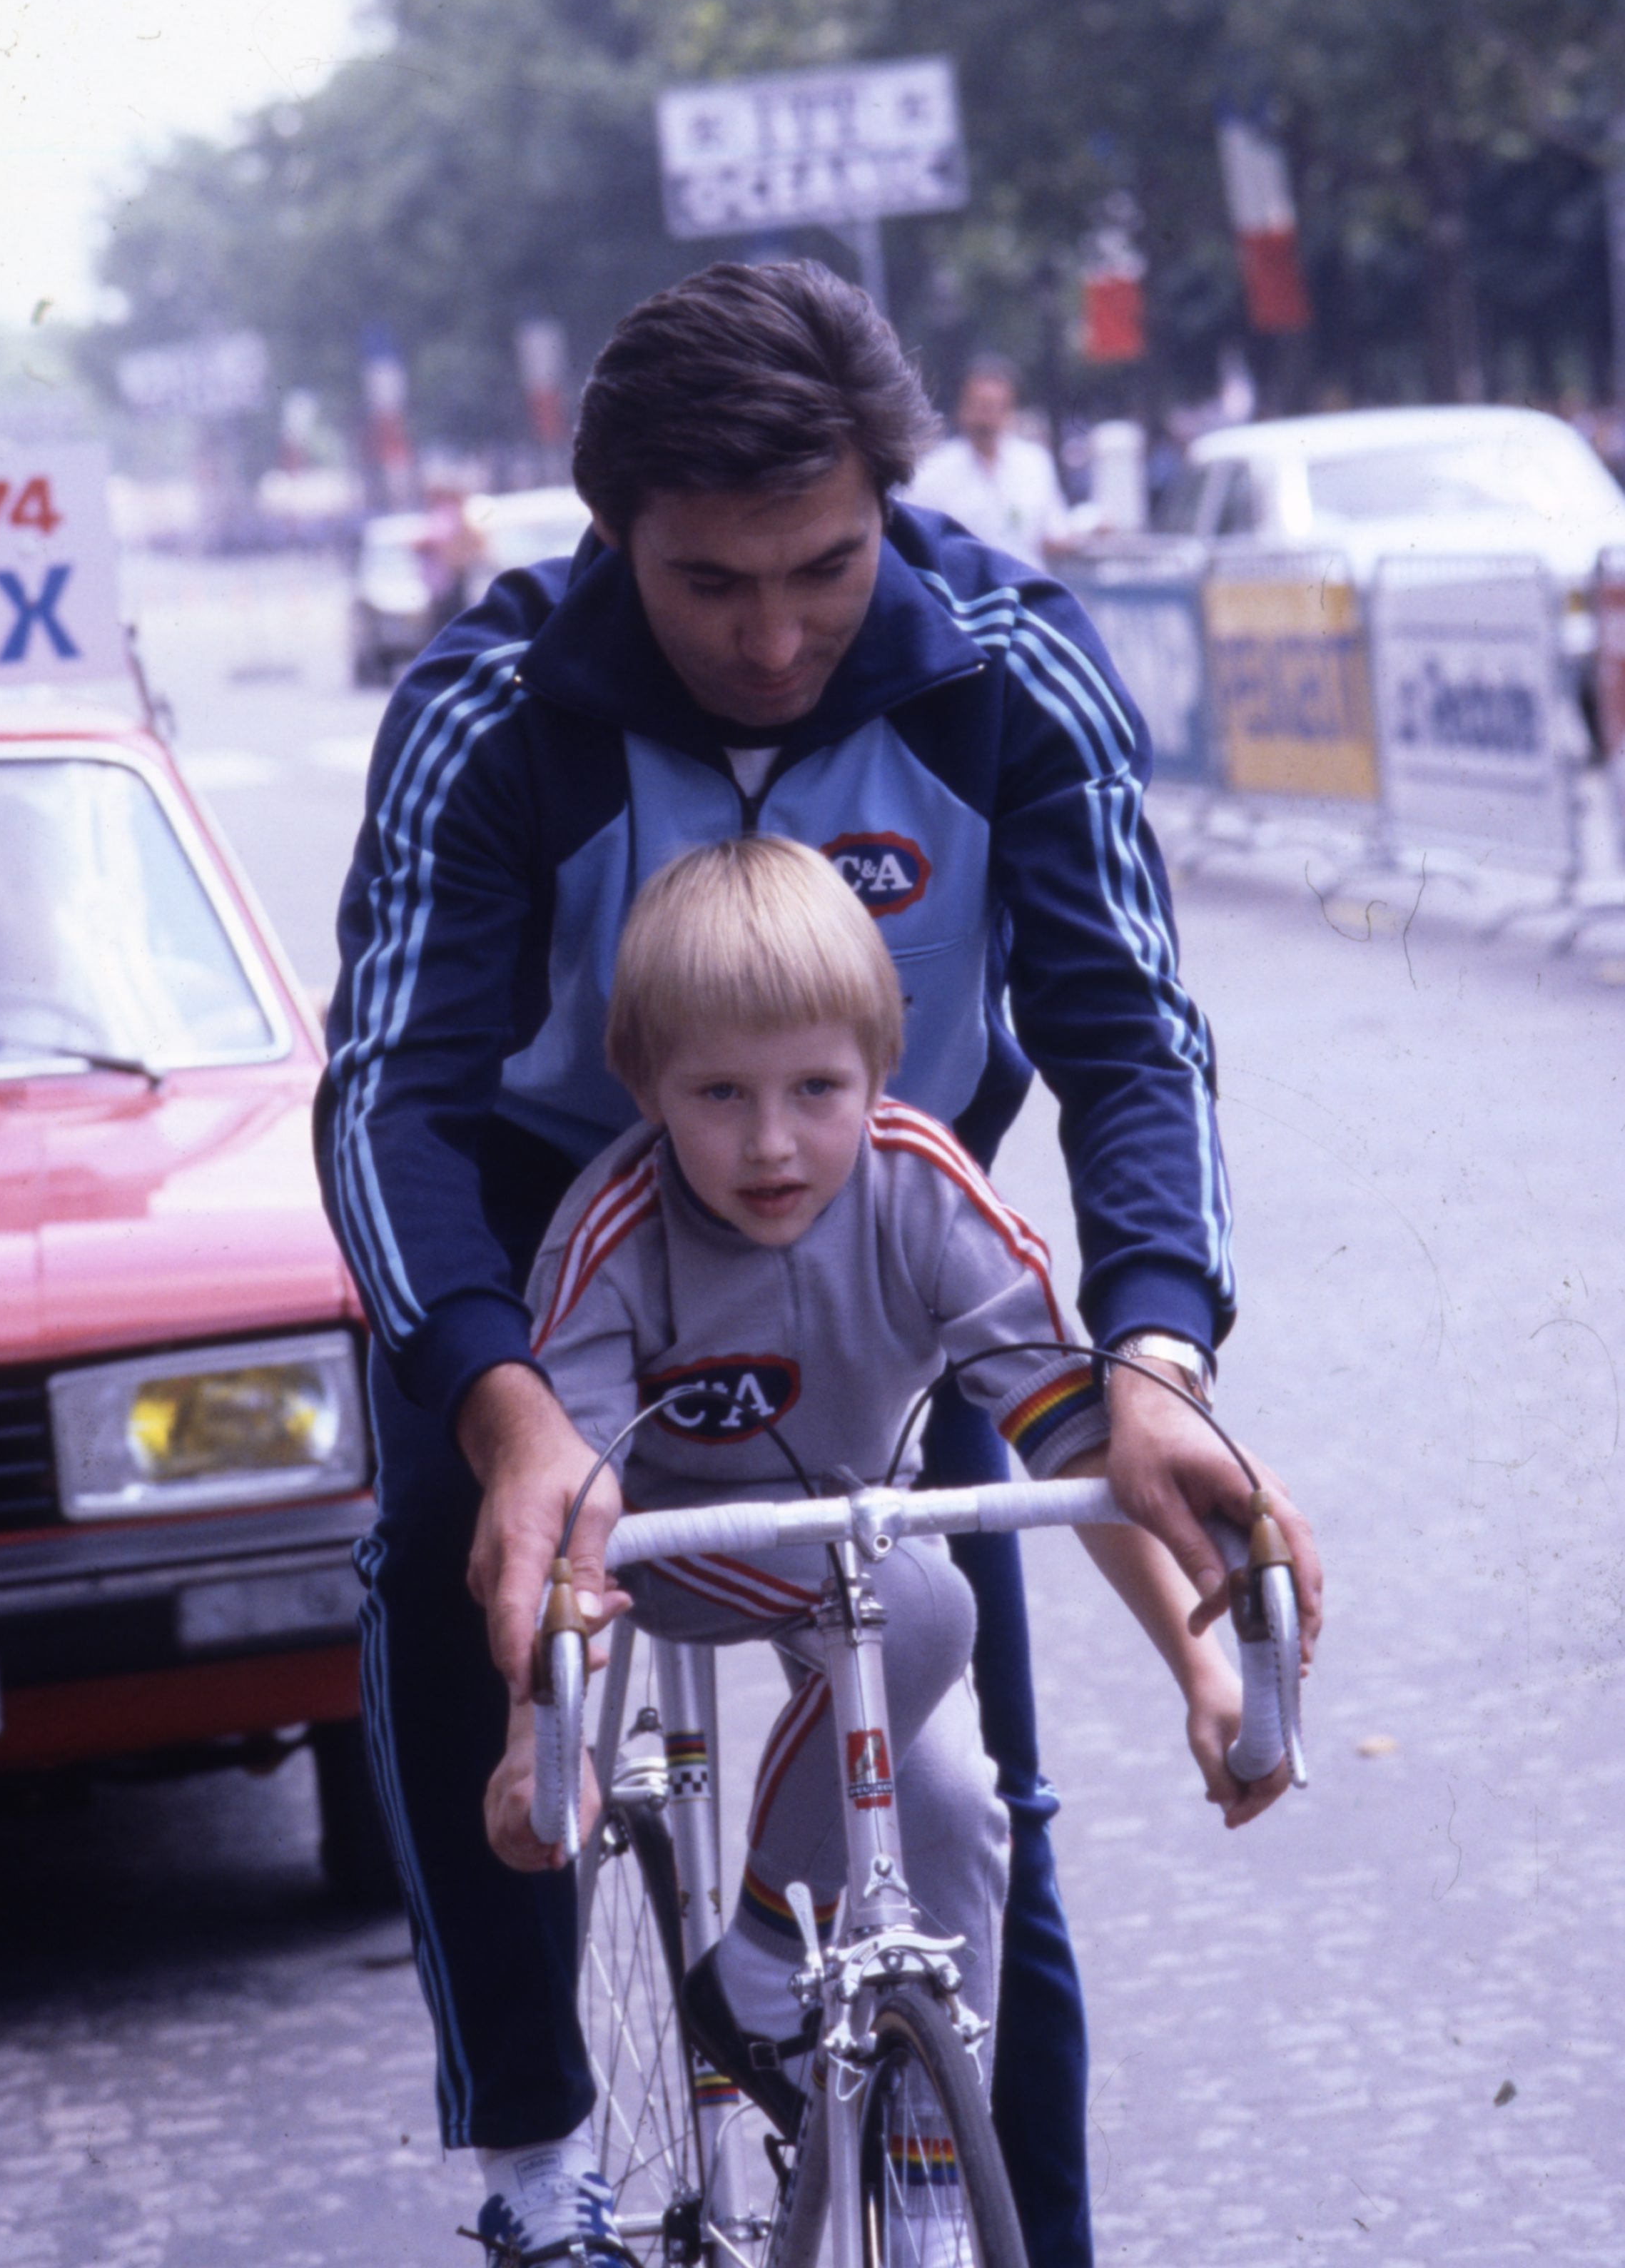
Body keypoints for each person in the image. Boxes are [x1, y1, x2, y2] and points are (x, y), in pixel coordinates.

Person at [314, 258, 1321, 2268]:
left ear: (895, 506)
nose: (773, 638)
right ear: (617, 539)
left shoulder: (1009, 668)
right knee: (449, 1549)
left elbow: (1130, 1037)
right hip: (551, 1229)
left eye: (826, 569)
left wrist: (1156, 1359)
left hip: (878, 1215)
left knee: (972, 1798)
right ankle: (535, 2158)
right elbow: (389, 1103)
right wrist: (509, 1425)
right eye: (709, 586)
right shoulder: (490, 710)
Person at [487, 835, 1283, 2207]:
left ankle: (925, 2190)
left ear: (885, 1065)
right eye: (719, 1096)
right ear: (642, 1085)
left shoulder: (922, 1188)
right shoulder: (610, 1231)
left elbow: (1083, 1454)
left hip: (842, 1551)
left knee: (962, 1810)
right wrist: (533, 1746)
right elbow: (565, 1532)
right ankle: (740, 1971)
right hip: (663, 1553)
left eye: (818, 1089)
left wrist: (1204, 1671)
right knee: (920, 1604)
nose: (773, 1142)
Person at [911, 354, 1075, 565]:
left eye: (997, 407)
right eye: (980, 406)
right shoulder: (933, 470)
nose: (987, 417)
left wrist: (1088, 530)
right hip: (962, 595)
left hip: (1026, 592)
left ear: (1010, 411)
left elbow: (1054, 535)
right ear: (963, 409)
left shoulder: (1034, 463)